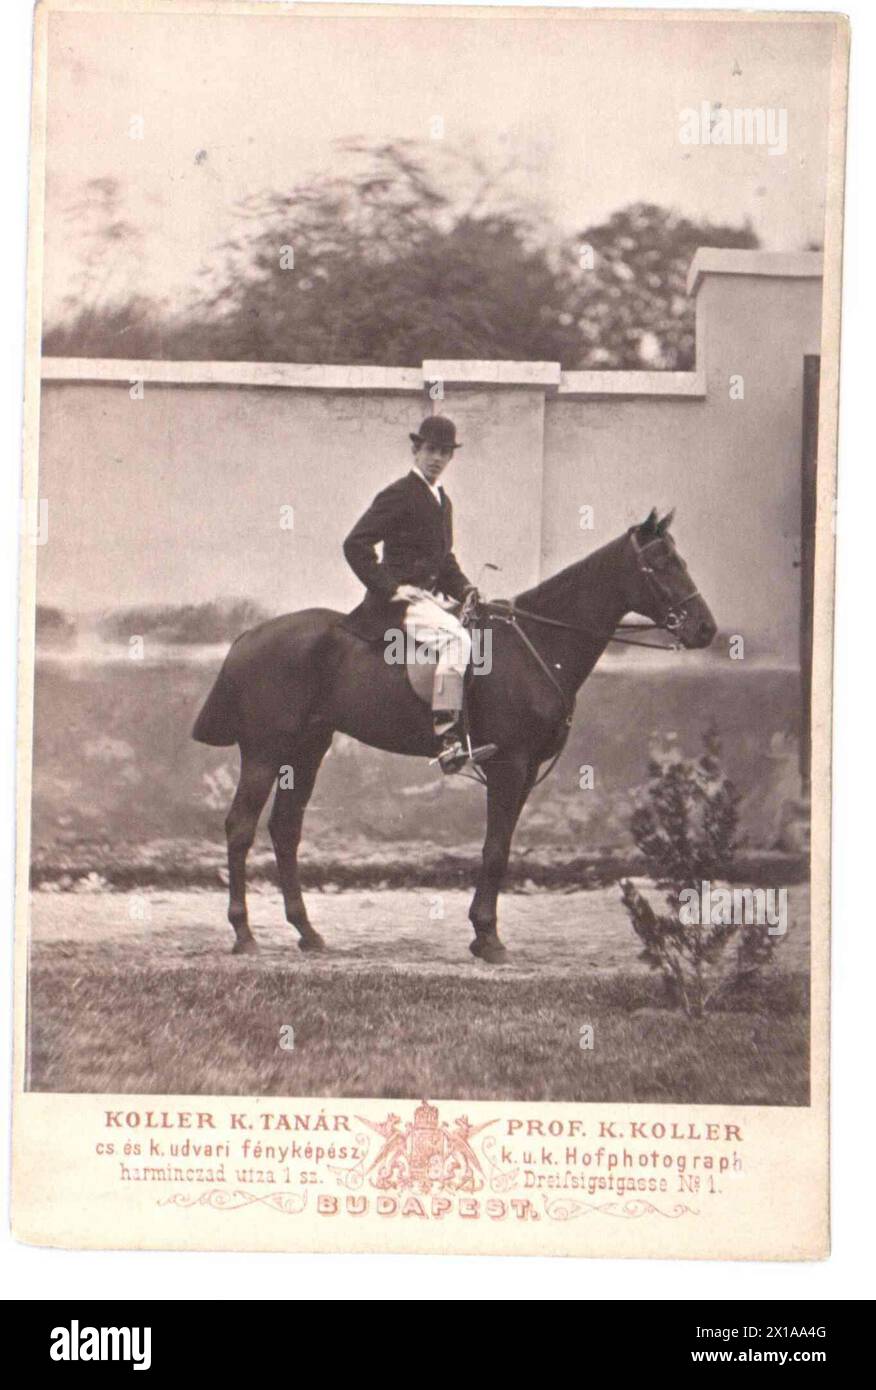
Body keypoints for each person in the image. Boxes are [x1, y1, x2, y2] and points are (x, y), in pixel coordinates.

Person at [343, 415, 496, 774]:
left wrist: (466, 588)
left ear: (451, 458)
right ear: (416, 449)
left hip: (430, 600)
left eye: (444, 452)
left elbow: (444, 561)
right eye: (430, 449)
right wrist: (392, 589)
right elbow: (355, 544)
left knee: (482, 633)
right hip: (398, 606)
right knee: (457, 640)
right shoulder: (398, 494)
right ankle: (447, 737)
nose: (437, 458)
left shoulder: (443, 502)